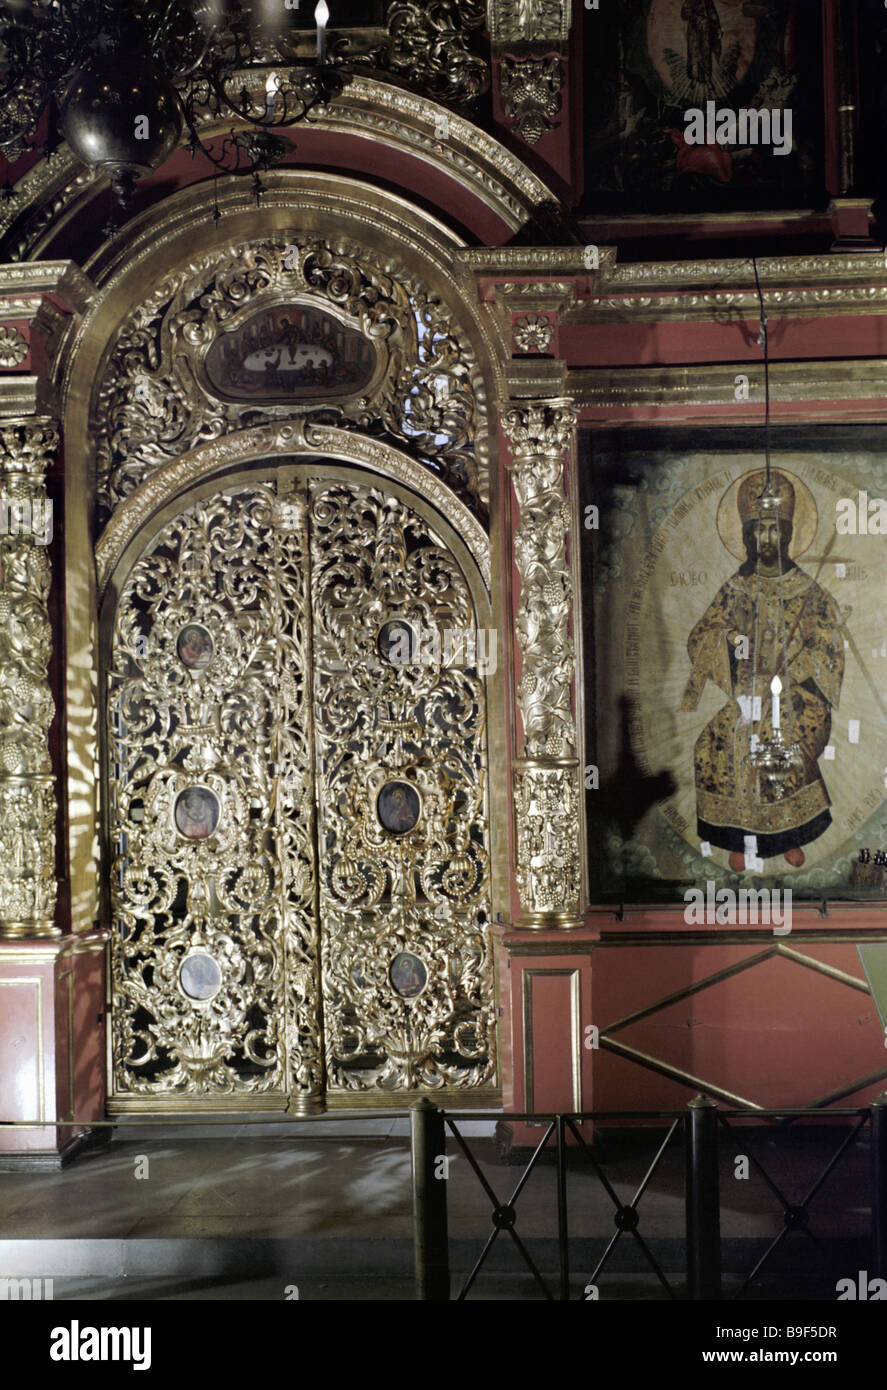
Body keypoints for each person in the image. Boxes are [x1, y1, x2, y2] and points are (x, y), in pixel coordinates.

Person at [680, 468, 844, 870]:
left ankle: (790, 836)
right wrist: (730, 642)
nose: (766, 539)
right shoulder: (736, 587)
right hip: (749, 692)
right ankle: (739, 836)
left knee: (773, 739)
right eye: (758, 530)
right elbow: (701, 634)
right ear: (747, 535)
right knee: (714, 741)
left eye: (774, 529)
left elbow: (828, 649)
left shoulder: (810, 593)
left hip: (799, 696)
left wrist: (788, 677)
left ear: (788, 533)